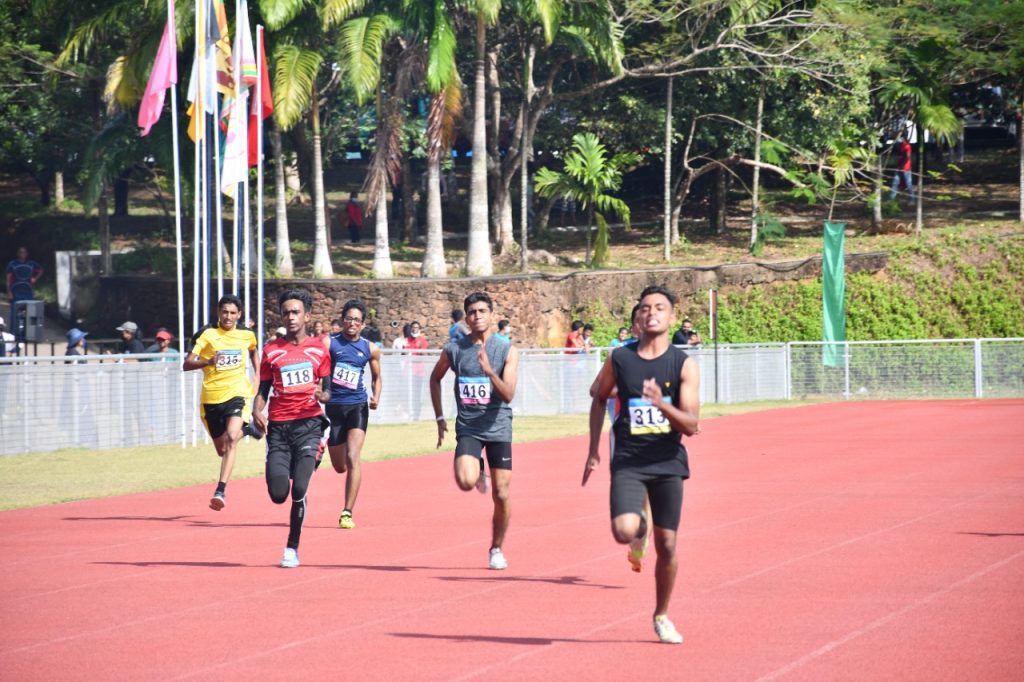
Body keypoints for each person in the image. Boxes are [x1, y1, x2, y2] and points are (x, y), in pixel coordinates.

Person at [583, 285, 701, 645]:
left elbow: (692, 425)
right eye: (646, 307)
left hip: (667, 462)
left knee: (667, 547)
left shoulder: (684, 364)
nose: (652, 312)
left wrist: (660, 403)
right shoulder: (620, 358)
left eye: (660, 307)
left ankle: (661, 615)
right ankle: (640, 523)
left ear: (671, 317)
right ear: (639, 316)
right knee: (623, 531)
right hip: (629, 461)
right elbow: (598, 397)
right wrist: (592, 450)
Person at [430, 292, 521, 570]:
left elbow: (508, 395)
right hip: (469, 428)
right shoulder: (454, 349)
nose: (477, 316)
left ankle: (496, 548)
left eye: (482, 311)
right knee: (466, 482)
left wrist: (490, 372)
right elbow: (435, 378)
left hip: (498, 428)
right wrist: (440, 416)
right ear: (466, 317)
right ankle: (478, 469)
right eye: (472, 312)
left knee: (502, 495)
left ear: (492, 315)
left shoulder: (506, 350)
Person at [252, 289, 332, 568]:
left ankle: (291, 549)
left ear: (307, 316)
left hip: (309, 424)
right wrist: (256, 409)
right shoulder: (271, 351)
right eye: (286, 312)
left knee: (299, 488)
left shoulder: (319, 349)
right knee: (277, 495)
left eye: (296, 311)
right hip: (279, 428)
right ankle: (283, 462)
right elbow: (263, 389)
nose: (291, 316)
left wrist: (324, 396)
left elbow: (328, 389)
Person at [182, 295, 258, 511]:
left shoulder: (246, 335)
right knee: (222, 450)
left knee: (232, 437)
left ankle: (220, 490)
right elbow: (187, 363)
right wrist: (208, 361)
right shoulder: (208, 334)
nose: (228, 316)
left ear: (239, 315)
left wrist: (258, 378)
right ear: (218, 312)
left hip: (237, 392)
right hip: (211, 399)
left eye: (233, 313)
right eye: (225, 312)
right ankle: (249, 429)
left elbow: (254, 352)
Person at [326, 299, 382, 530]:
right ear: (342, 320)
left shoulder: (370, 348)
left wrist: (376, 396)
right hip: (334, 408)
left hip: (357, 405)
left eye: (357, 320)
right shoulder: (329, 343)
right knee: (340, 466)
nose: (352, 323)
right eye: (348, 318)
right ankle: (330, 449)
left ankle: (347, 512)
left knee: (353, 456)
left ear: (362, 324)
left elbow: (377, 377)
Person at [6, 246, 43, 330]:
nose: (22, 254)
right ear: (17, 253)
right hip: (15, 291)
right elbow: (8, 279)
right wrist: (9, 292)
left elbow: (40, 270)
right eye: (20, 252)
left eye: (24, 252)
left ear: (27, 254)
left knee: (28, 312)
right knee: (15, 313)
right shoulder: (12, 264)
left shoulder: (31, 264)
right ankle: (14, 332)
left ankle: (27, 332)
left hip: (28, 291)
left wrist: (35, 278)